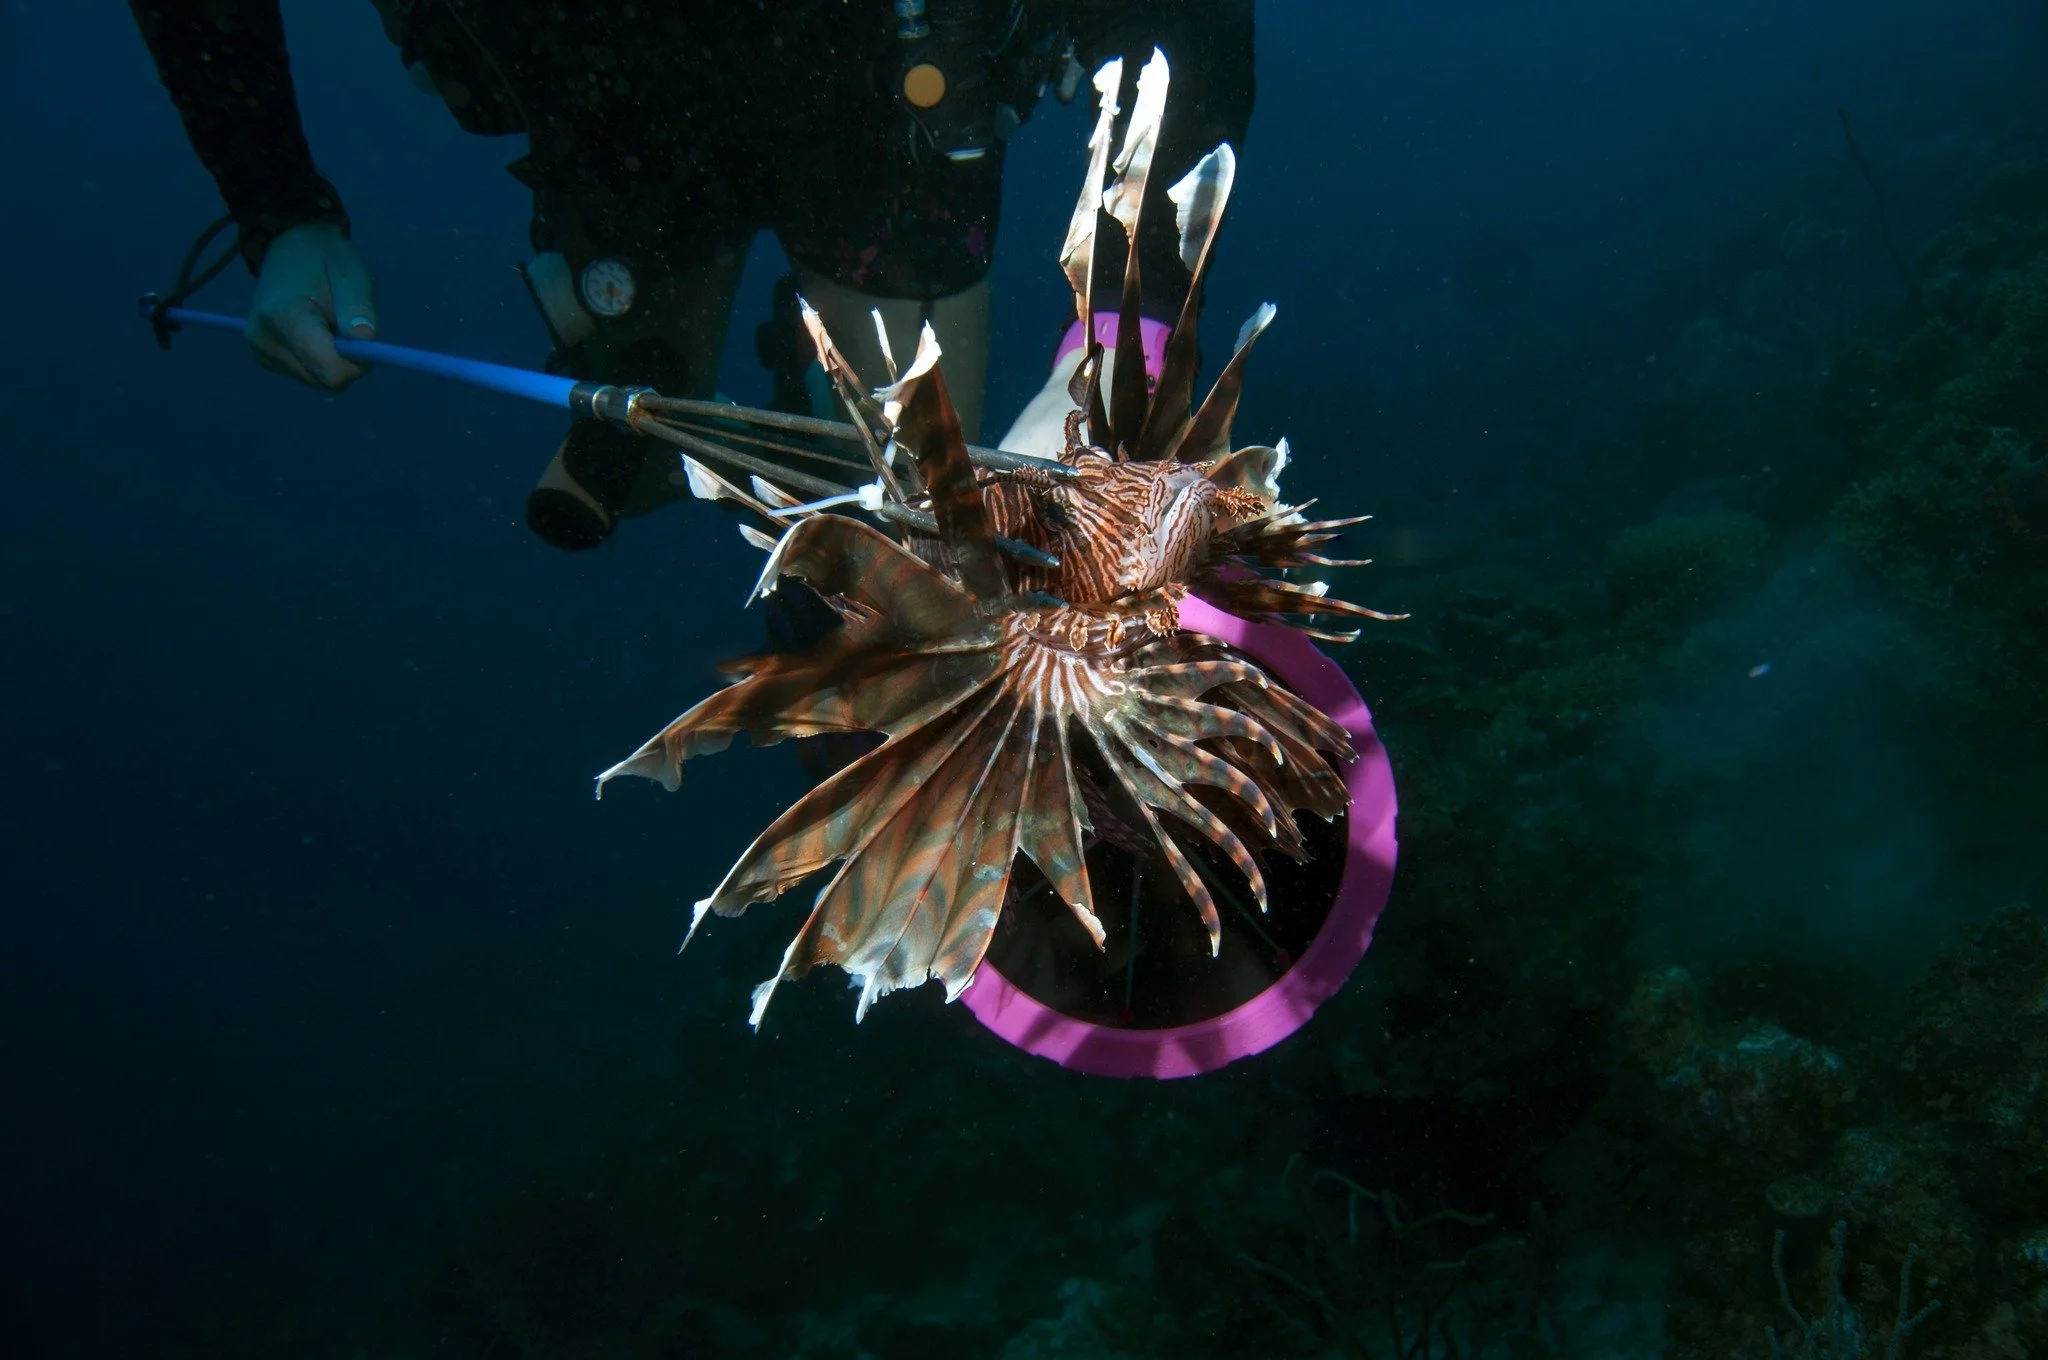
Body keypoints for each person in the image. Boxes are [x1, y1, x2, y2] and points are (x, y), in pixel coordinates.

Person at [129, 1, 1254, 551]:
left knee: (931, 545)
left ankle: (841, 595)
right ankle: (696, 435)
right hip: (609, 108)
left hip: (887, 115)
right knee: (642, 428)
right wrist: (277, 205)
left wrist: (1127, 331)